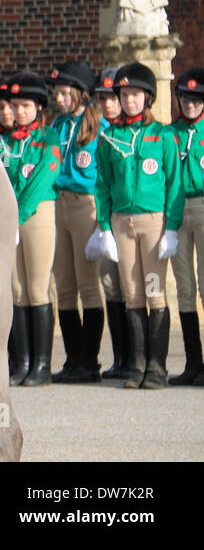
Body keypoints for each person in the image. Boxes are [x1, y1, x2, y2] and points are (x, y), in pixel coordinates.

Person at [95, 61, 183, 389]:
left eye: (135, 94)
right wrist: (104, 226)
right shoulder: (110, 137)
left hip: (153, 222)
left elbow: (174, 184)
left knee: (153, 292)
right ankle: (137, 364)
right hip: (121, 223)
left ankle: (157, 367)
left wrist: (171, 228)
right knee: (131, 295)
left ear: (148, 98)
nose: (128, 100)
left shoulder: (162, 136)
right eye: (123, 94)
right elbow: (102, 185)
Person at [0, 71, 61, 386]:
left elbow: (41, 181)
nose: (19, 111)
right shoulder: (6, 142)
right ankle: (21, 362)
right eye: (15, 105)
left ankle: (42, 364)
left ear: (38, 107)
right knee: (17, 289)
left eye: (25, 105)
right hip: (10, 216)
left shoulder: (48, 139)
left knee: (37, 288)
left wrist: (19, 215)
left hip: (36, 214)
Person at [46, 61, 106, 383]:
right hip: (59, 203)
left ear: (80, 92)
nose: (58, 96)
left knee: (88, 284)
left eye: (64, 90)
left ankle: (89, 360)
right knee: (64, 286)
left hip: (86, 204)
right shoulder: (57, 126)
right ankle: (72, 358)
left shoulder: (98, 126)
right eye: (56, 91)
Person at [92, 67, 132, 380]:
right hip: (102, 214)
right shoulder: (95, 130)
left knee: (133, 286)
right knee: (111, 286)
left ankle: (135, 356)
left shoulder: (126, 133)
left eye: (112, 97)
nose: (107, 103)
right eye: (103, 98)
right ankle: (120, 357)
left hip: (127, 214)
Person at [168, 67, 204, 385]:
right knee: (184, 288)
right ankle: (193, 363)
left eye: (195, 100)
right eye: (185, 99)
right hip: (177, 211)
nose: (190, 105)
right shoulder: (171, 133)